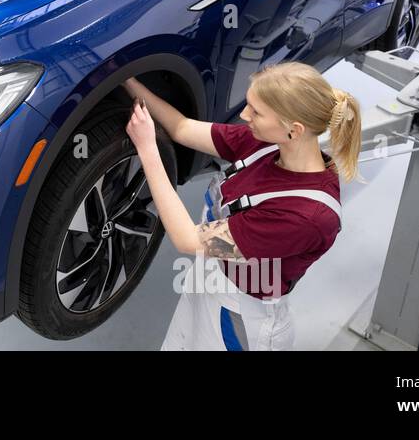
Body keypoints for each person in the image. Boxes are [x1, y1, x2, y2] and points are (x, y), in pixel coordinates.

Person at [122, 61, 362, 350]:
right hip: (210, 280)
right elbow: (182, 128)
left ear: (294, 129)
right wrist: (127, 81)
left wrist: (147, 149)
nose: (245, 115)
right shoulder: (266, 144)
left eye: (256, 111)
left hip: (240, 318)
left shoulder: (304, 216)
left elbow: (188, 239)